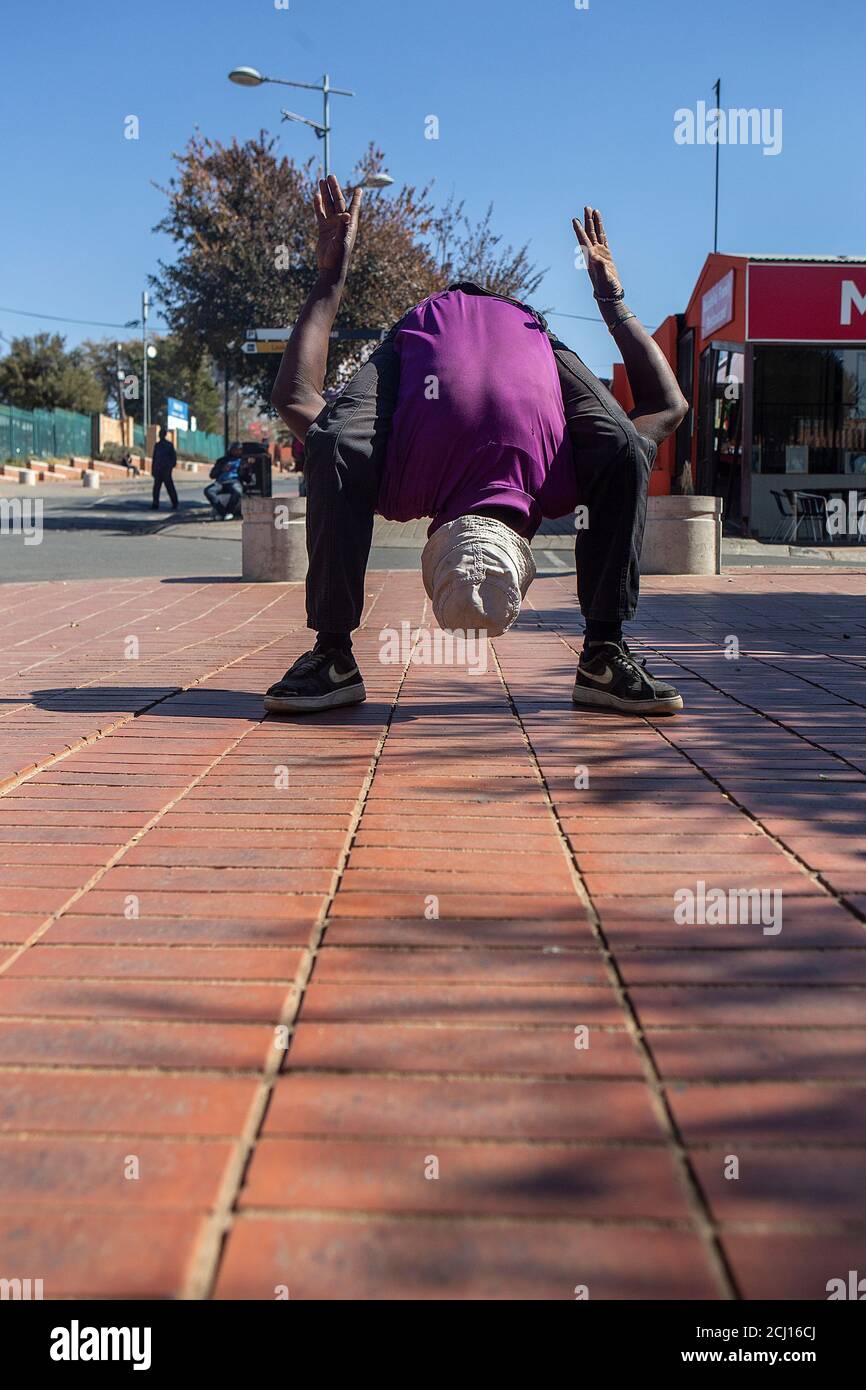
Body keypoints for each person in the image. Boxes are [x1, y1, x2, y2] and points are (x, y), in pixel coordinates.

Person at [265, 176, 688, 716]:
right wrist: (612, 303)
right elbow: (295, 396)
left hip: (425, 332)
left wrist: (330, 279)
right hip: (524, 327)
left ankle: (332, 655)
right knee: (624, 450)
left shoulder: (409, 480)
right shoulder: (559, 476)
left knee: (334, 446)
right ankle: (603, 651)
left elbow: (667, 407)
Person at [204, 442, 245, 519]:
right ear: (230, 450)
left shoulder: (242, 461)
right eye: (235, 450)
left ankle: (229, 511)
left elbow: (246, 477)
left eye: (239, 450)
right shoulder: (222, 461)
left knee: (238, 492)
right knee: (208, 491)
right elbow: (212, 475)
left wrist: (246, 469)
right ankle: (223, 512)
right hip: (220, 483)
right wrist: (221, 469)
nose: (237, 451)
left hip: (233, 481)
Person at [150, 427, 178, 510]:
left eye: (162, 434)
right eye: (160, 434)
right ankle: (155, 503)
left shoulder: (169, 445)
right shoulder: (157, 445)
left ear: (164, 435)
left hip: (166, 470)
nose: (160, 435)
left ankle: (175, 502)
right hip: (158, 470)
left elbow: (173, 457)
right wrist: (153, 469)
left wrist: (170, 467)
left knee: (170, 487)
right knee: (156, 488)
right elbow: (154, 458)